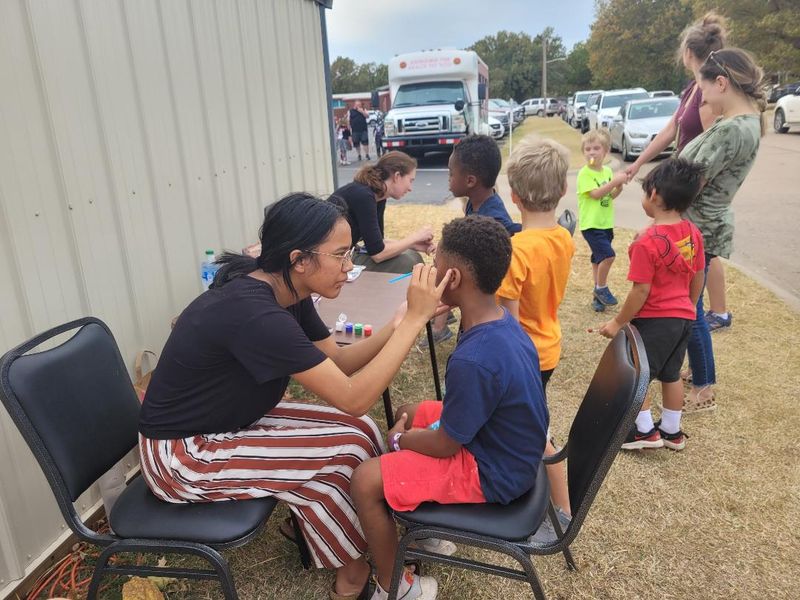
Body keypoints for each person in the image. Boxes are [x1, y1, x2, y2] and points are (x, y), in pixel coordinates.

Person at [138, 193, 451, 600]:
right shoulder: (256, 315)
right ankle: (354, 579)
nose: (349, 266)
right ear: (299, 259)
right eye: (340, 255)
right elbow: (354, 395)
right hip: (182, 456)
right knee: (338, 456)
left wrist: (397, 324)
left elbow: (339, 363)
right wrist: (412, 322)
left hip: (228, 422)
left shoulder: (287, 291)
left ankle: (354, 532)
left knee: (361, 430)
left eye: (351, 252)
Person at [351, 215, 549, 600]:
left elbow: (446, 445)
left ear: (453, 279)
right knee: (410, 406)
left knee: (364, 479)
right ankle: (429, 529)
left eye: (435, 264)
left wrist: (401, 441)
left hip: (494, 472)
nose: (428, 271)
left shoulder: (474, 359)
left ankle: (398, 587)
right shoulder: (501, 322)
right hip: (505, 449)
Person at [625, 12, 732, 333]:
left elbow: (710, 152)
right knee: (698, 256)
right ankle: (702, 324)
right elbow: (670, 130)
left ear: (688, 53)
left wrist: (681, 196)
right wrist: (638, 162)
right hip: (682, 188)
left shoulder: (710, 93)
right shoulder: (692, 90)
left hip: (690, 191)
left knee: (697, 263)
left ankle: (710, 327)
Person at [677, 47, 766, 412]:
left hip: (699, 229)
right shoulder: (747, 123)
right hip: (704, 226)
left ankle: (704, 385)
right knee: (689, 303)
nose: (703, 97)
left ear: (722, 83)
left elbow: (690, 180)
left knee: (691, 307)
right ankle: (697, 370)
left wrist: (661, 198)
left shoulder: (731, 130)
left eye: (703, 90)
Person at [495, 137, 575, 538]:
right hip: (549, 346)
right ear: (563, 190)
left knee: (536, 431)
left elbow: (506, 323)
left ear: (513, 196)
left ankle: (560, 512)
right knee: (531, 424)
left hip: (525, 355)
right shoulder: (563, 238)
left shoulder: (517, 249)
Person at [598, 158, 706, 450]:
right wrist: (690, 306)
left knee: (639, 372)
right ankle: (672, 431)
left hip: (655, 319)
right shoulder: (693, 234)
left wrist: (618, 321)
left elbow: (640, 291)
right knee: (671, 374)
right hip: (683, 317)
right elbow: (698, 273)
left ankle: (643, 430)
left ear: (654, 195)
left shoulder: (647, 244)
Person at [427, 134, 520, 345]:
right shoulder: (474, 203)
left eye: (451, 174)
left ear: (470, 181)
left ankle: (441, 328)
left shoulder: (493, 217)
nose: (448, 179)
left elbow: (512, 234)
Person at [331, 151, 434, 274]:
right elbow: (378, 254)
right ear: (397, 176)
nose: (410, 188)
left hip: (344, 252)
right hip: (331, 257)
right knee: (408, 262)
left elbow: (378, 242)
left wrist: (414, 245)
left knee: (413, 255)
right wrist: (414, 237)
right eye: (410, 180)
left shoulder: (379, 197)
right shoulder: (364, 196)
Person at [576, 128, 628, 312]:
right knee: (608, 255)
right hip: (591, 225)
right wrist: (614, 182)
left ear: (605, 152)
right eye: (588, 149)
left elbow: (608, 197)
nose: (591, 152)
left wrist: (618, 187)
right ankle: (602, 288)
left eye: (596, 148)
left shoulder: (606, 171)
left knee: (598, 260)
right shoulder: (585, 174)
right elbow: (596, 194)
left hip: (605, 223)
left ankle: (597, 297)